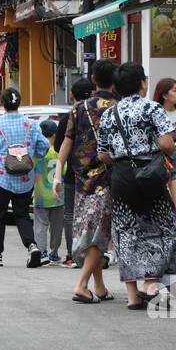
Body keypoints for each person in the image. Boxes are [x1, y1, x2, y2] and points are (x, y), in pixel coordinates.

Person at [99, 63, 176, 308]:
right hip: (149, 175)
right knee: (163, 226)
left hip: (121, 178)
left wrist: (123, 157)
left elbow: (103, 155)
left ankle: (133, 297)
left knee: (126, 232)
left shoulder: (108, 114)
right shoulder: (151, 108)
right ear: (142, 83)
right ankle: (150, 281)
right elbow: (167, 145)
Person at [57, 61, 119, 300]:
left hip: (82, 180)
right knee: (99, 233)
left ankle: (100, 286)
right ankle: (82, 285)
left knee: (94, 231)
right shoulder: (118, 108)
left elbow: (67, 141)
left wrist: (57, 171)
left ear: (93, 79)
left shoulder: (79, 108)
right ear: (114, 80)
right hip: (107, 178)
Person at [0, 87, 49, 269]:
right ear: (19, 102)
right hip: (25, 177)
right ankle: (32, 246)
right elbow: (44, 146)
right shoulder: (31, 125)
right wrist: (32, 156)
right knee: (22, 213)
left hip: (1, 177)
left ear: (3, 103)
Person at [55, 77, 94, 269]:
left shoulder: (67, 118)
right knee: (93, 215)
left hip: (72, 173)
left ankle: (72, 253)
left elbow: (58, 146)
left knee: (70, 214)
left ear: (72, 95)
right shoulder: (100, 114)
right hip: (98, 175)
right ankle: (96, 253)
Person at [154, 78, 176, 221]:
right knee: (161, 210)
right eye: (174, 90)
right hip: (159, 162)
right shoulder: (155, 114)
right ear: (164, 95)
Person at [32, 119, 65, 264]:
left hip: (40, 196)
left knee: (40, 225)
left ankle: (42, 252)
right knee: (57, 227)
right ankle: (54, 252)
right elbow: (63, 170)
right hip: (58, 196)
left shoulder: (37, 152)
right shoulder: (58, 152)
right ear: (54, 135)